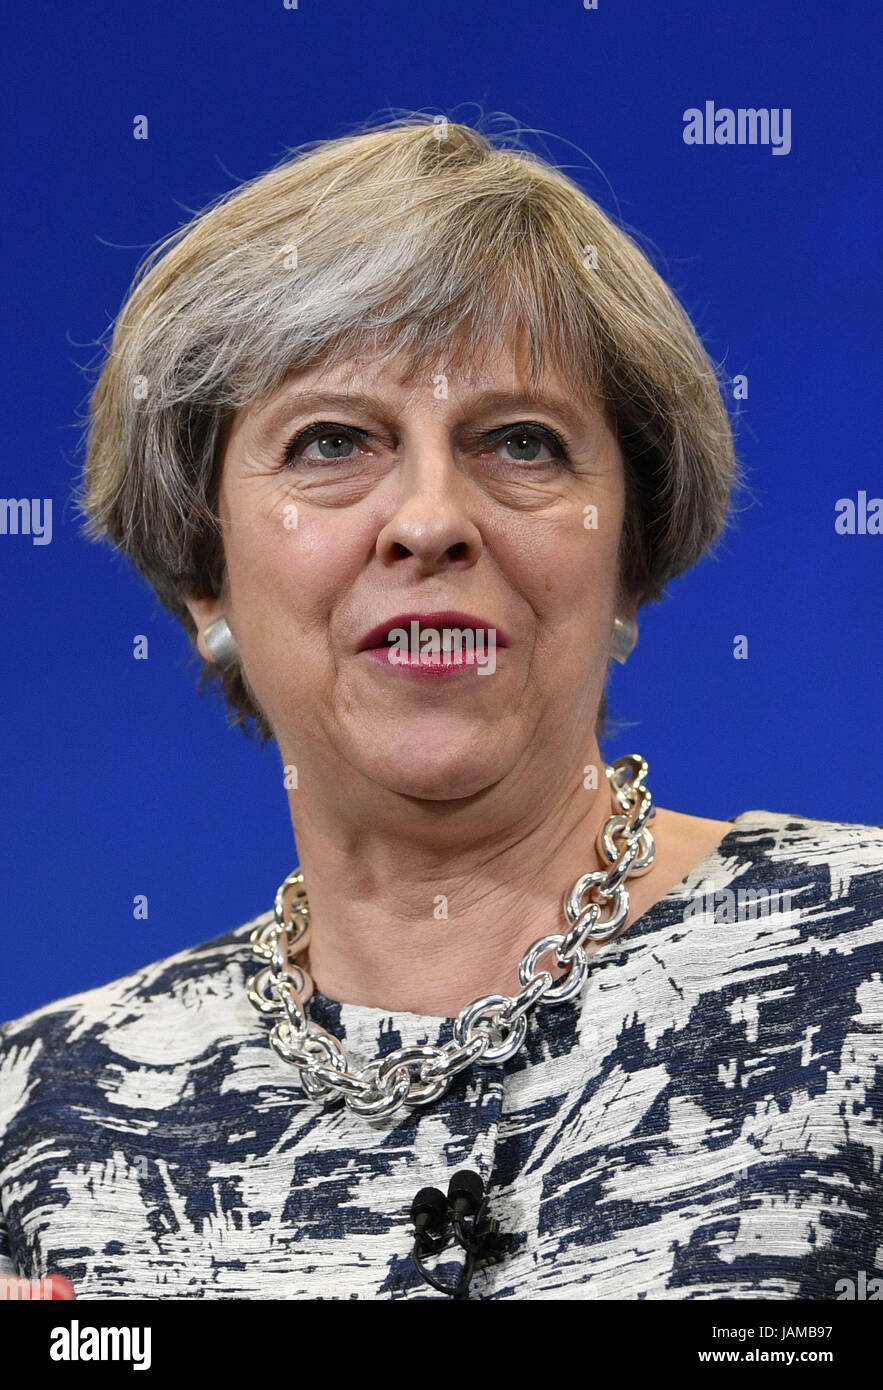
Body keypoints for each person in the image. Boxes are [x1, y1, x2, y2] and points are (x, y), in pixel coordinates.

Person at [1, 116, 880, 1302]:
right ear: (204, 578)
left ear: (628, 563)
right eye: (331, 442)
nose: (429, 517)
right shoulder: (39, 1120)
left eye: (520, 442)